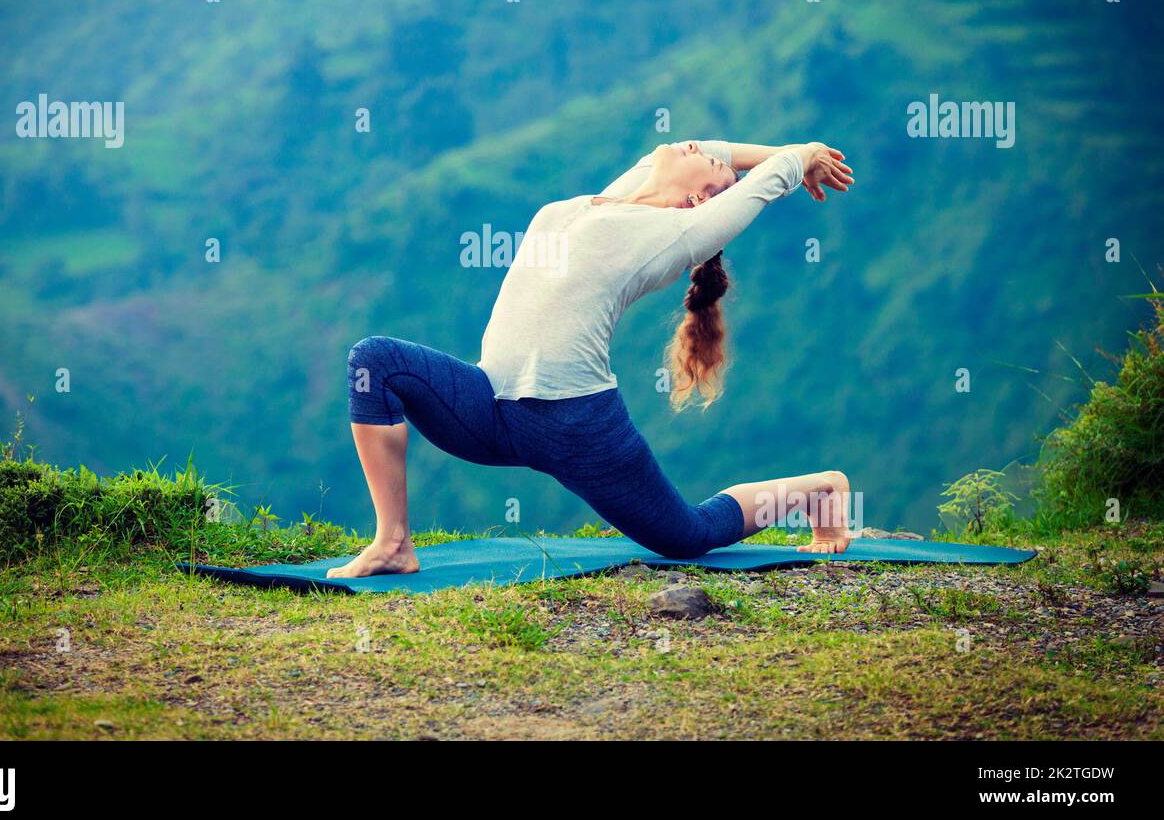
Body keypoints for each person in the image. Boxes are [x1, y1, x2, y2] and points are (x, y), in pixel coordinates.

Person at [330, 138, 854, 578]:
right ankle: (394, 542)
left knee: (687, 536)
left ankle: (820, 489)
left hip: (578, 424)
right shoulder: (605, 202)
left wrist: (801, 155)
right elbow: (703, 152)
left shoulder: (675, 234)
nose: (698, 145)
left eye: (712, 163)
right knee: (375, 363)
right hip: (490, 404)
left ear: (698, 200)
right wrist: (777, 150)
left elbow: (758, 188)